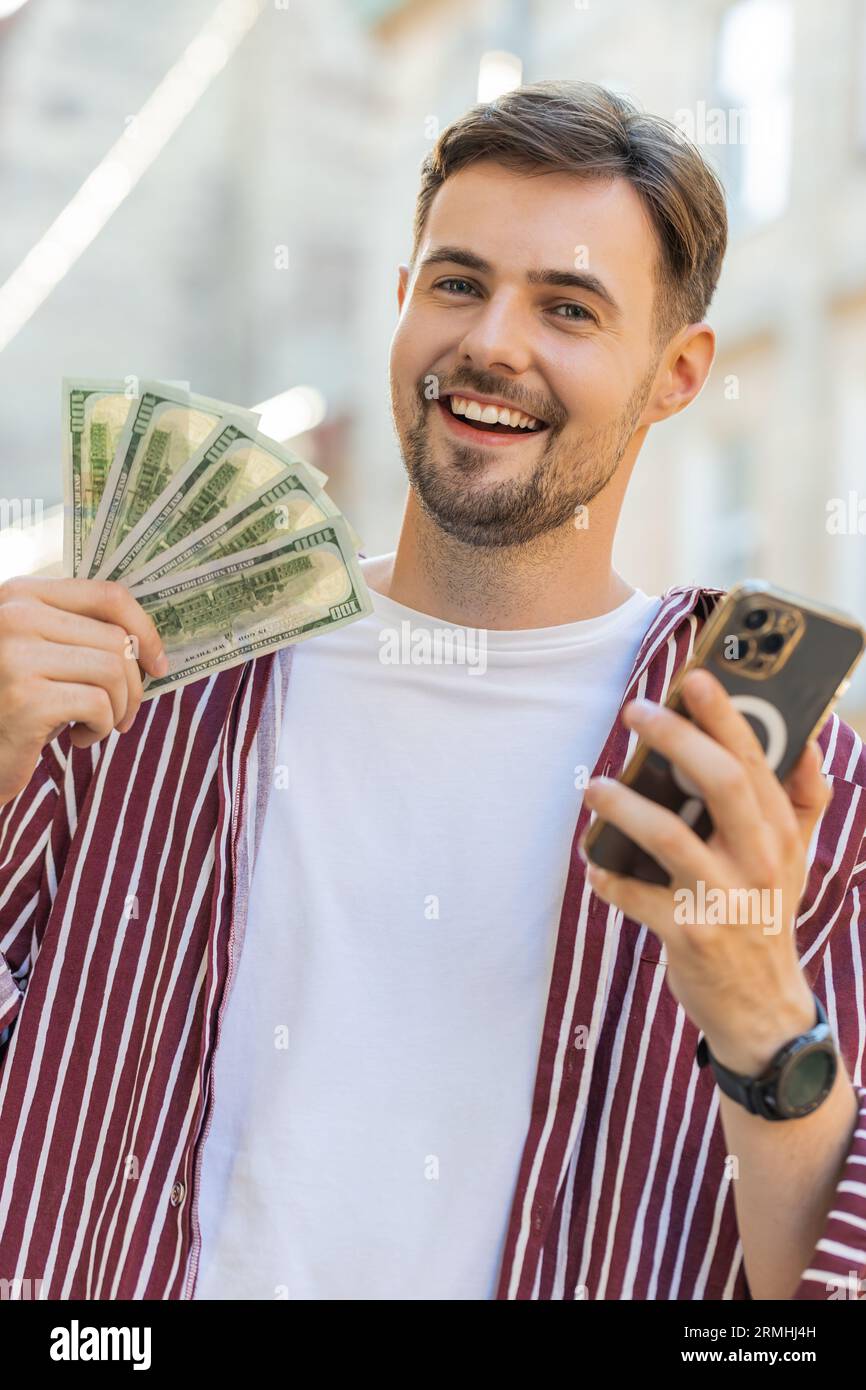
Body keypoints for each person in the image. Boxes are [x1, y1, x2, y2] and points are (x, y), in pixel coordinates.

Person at [0, 80, 864, 1303]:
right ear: (402, 300)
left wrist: (760, 1015)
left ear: (676, 374)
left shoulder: (767, 788)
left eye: (566, 306)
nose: (492, 342)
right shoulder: (146, 683)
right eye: (457, 284)